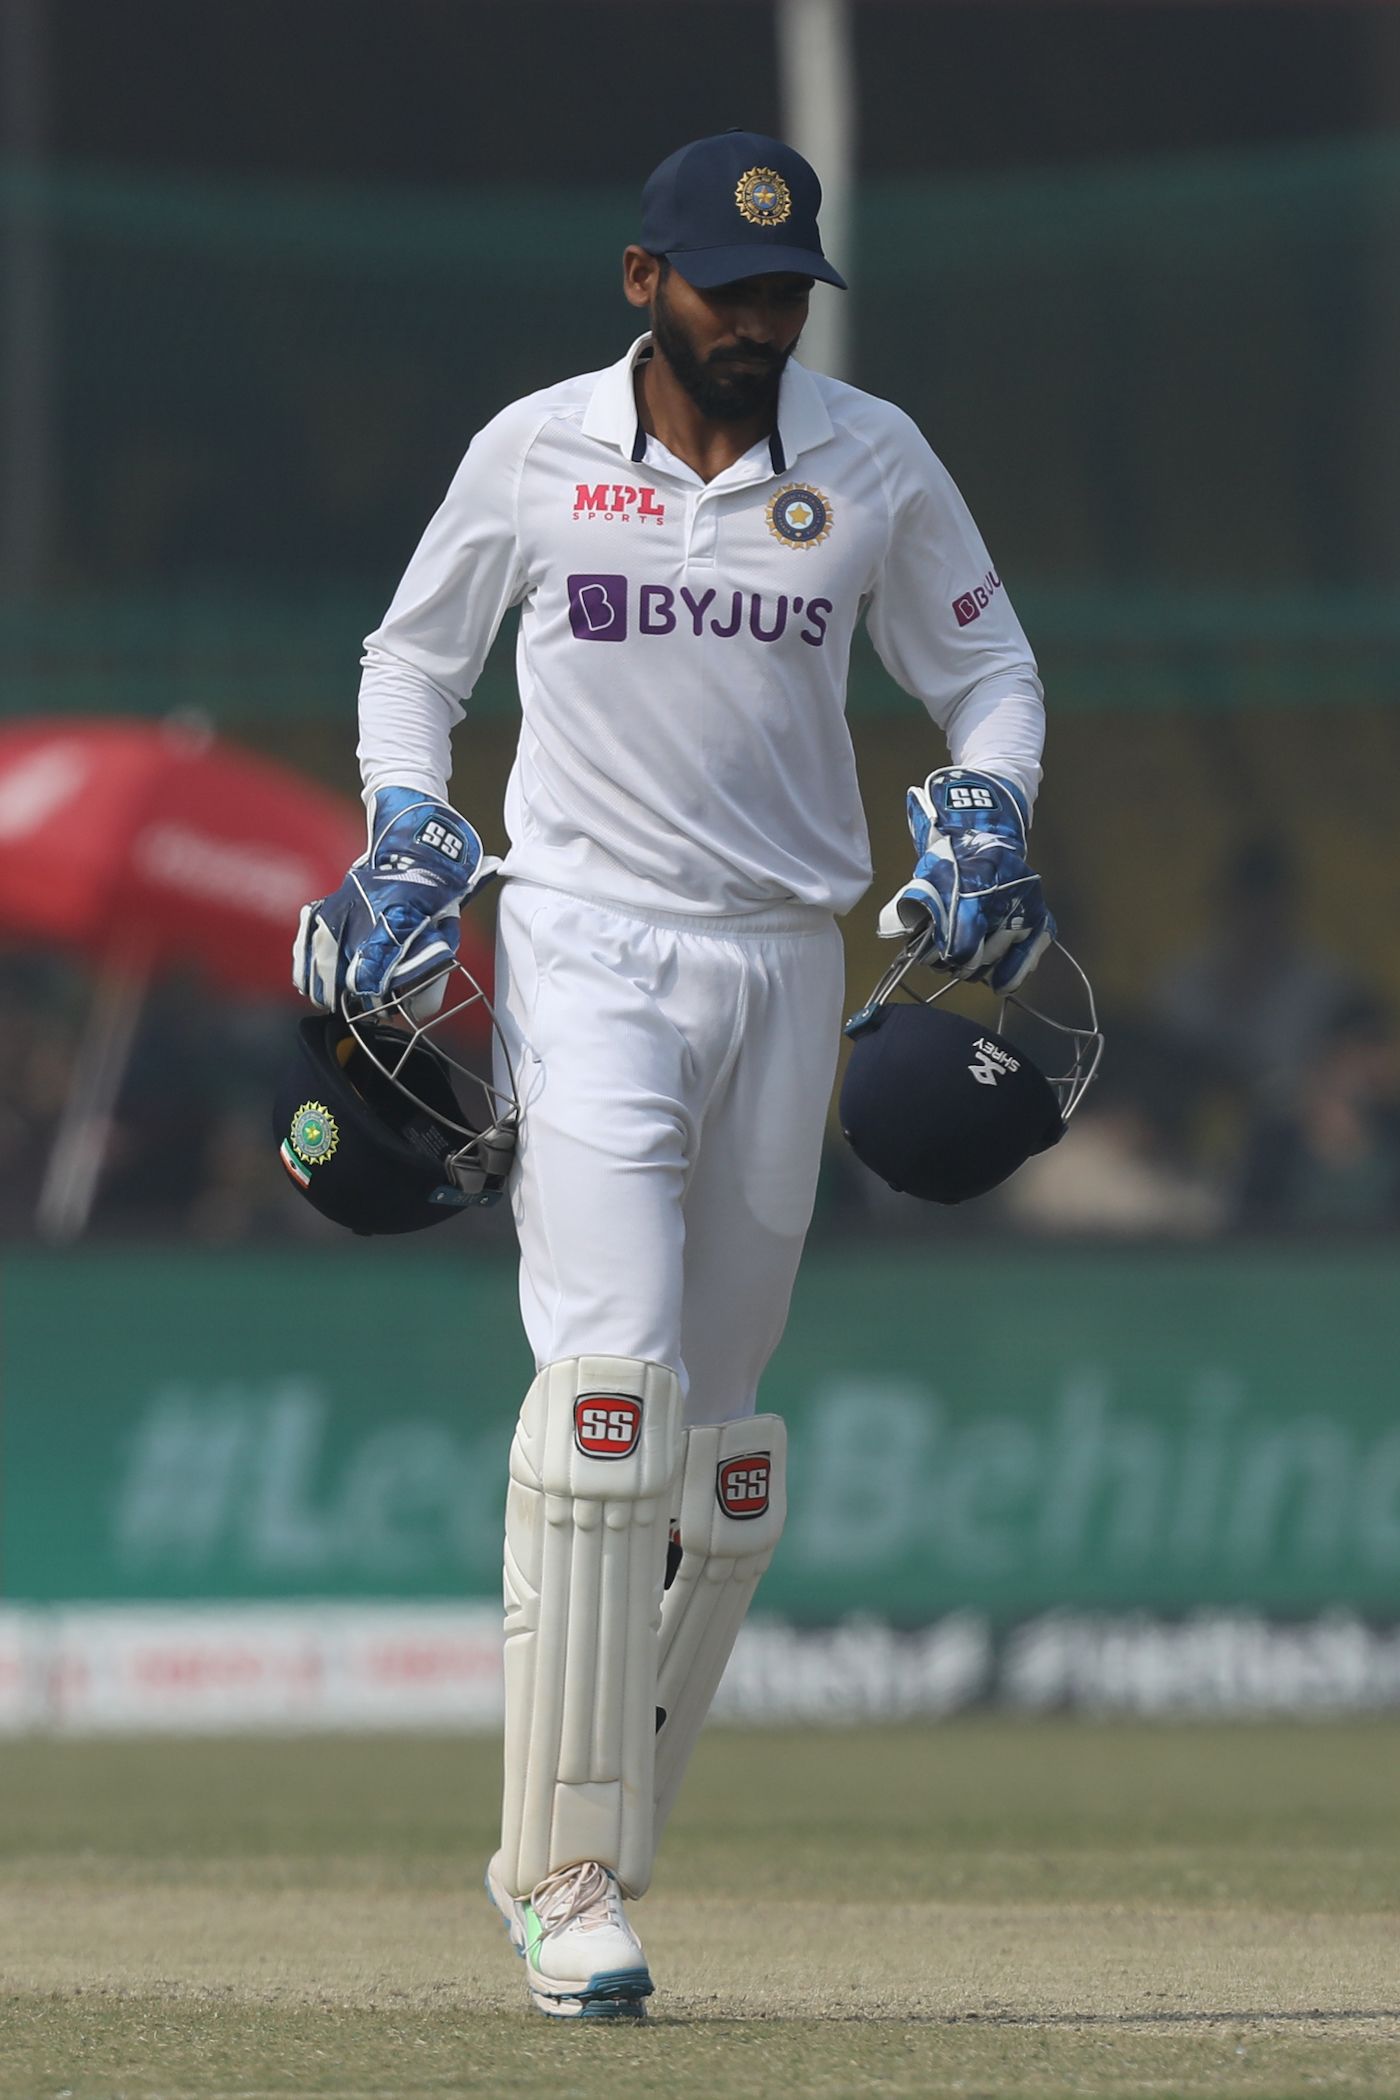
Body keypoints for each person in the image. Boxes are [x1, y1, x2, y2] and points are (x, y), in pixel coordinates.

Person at [292, 130, 1053, 2019]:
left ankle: (589, 1848)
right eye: (729, 290)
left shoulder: (867, 455)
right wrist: (408, 828)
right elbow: (413, 659)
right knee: (610, 1379)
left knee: (714, 1452)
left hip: (791, 956)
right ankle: (565, 1873)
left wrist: (988, 811)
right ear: (645, 283)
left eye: (787, 295)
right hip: (585, 939)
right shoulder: (536, 449)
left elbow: (994, 675)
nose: (761, 323)